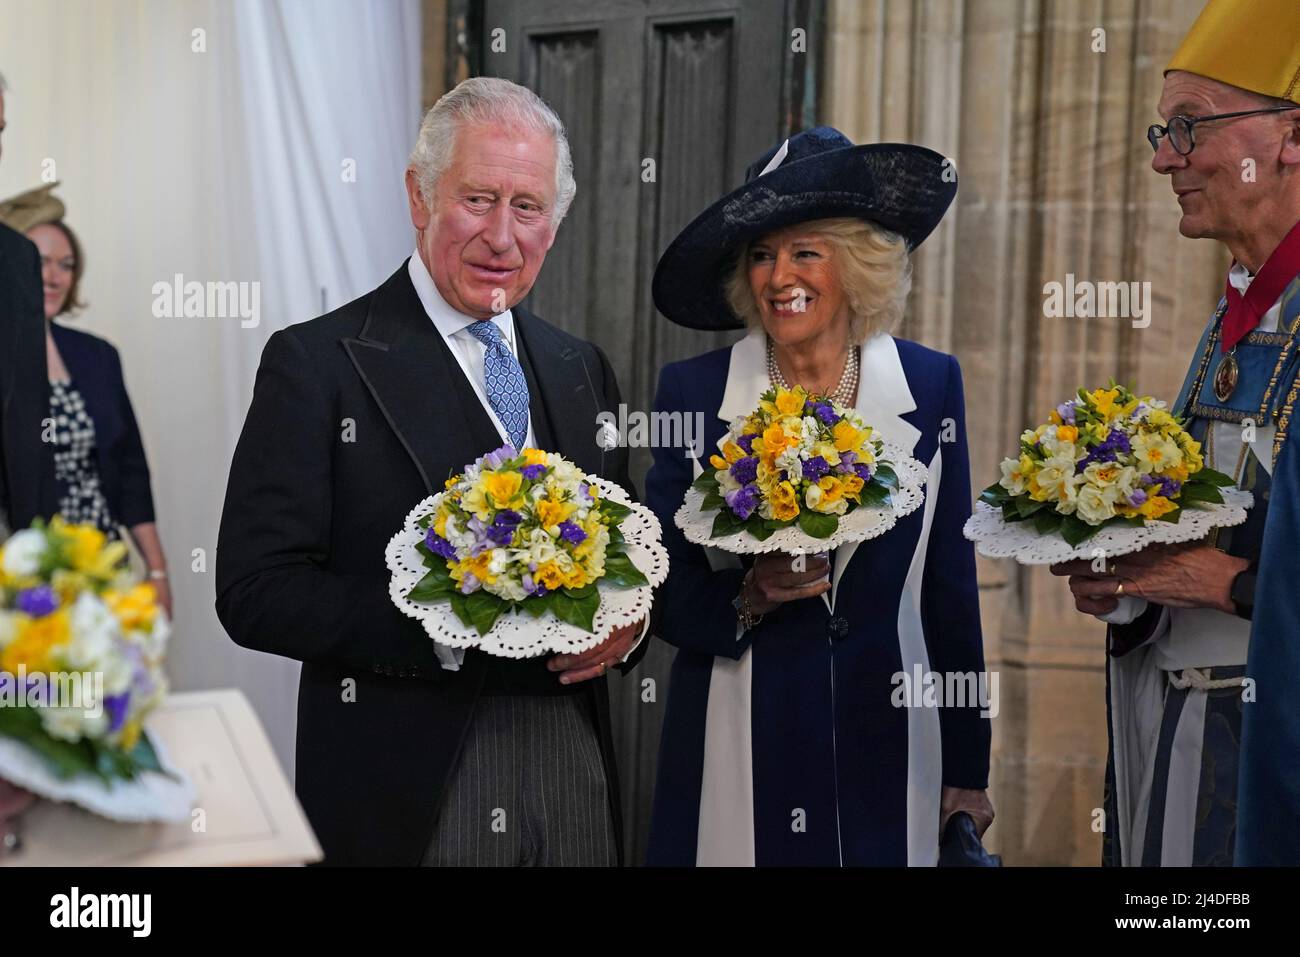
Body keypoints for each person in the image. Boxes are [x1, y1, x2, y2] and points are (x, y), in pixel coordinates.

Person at [215, 77, 648, 867]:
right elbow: (254, 590)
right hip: (410, 783)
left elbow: (630, 555)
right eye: (479, 199)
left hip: (572, 761)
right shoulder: (317, 363)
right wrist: (447, 626)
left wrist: (631, 623)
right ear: (419, 197)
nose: (503, 237)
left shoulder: (581, 367)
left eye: (529, 207)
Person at [644, 127, 992, 865]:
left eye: (806, 251)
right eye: (762, 255)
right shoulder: (695, 394)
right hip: (735, 734)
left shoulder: (931, 387)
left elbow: (950, 592)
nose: (779, 277)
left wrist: (969, 767)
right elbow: (657, 587)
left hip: (892, 740)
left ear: (856, 263)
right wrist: (749, 596)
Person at [1051, 0, 1300, 866]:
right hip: (1186, 734)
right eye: (1165, 130)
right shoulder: (1232, 316)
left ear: (1291, 138)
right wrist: (1133, 588)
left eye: (1188, 128)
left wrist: (1231, 584)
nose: (1164, 157)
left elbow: (1233, 567)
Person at [0, 186, 171, 616]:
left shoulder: (97, 355)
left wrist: (157, 572)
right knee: (31, 684)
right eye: (39, 262)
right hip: (23, 574)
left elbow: (131, 469)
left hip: (100, 567)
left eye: (67, 265)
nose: (54, 277)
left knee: (105, 682)